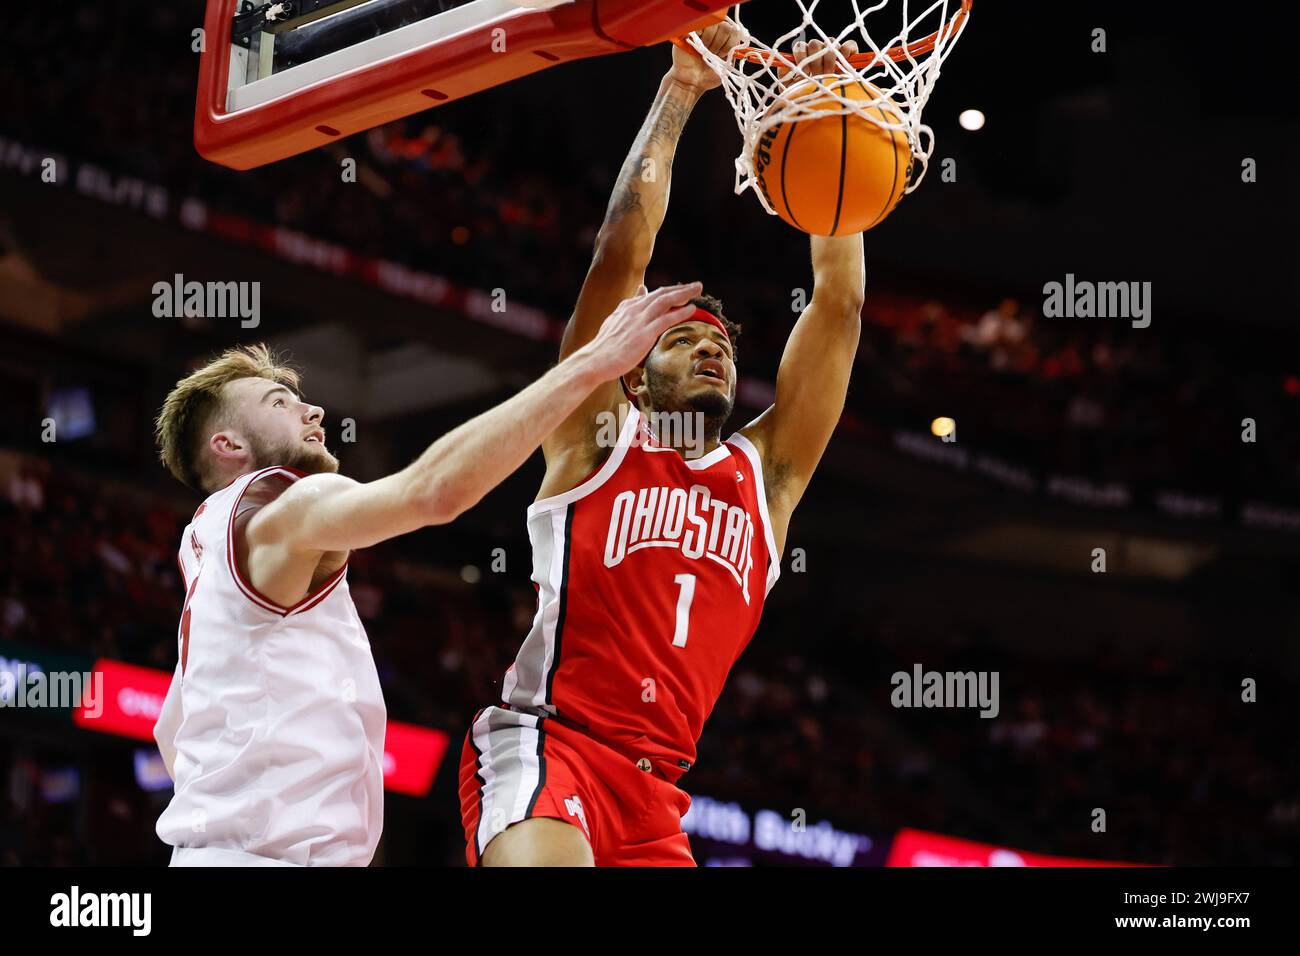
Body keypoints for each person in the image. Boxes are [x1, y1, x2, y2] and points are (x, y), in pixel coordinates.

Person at [459, 31, 866, 866]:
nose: (711, 347)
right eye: (681, 339)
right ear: (634, 376)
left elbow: (839, 305)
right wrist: (682, 90)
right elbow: (619, 255)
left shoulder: (768, 475)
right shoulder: (596, 435)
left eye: (720, 342)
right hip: (550, 746)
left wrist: (833, 117)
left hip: (658, 794)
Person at [150, 281, 703, 866]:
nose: (311, 408)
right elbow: (434, 493)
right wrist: (594, 362)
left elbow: (172, 731)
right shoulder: (282, 507)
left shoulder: (209, 553)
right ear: (228, 443)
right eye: (278, 403)